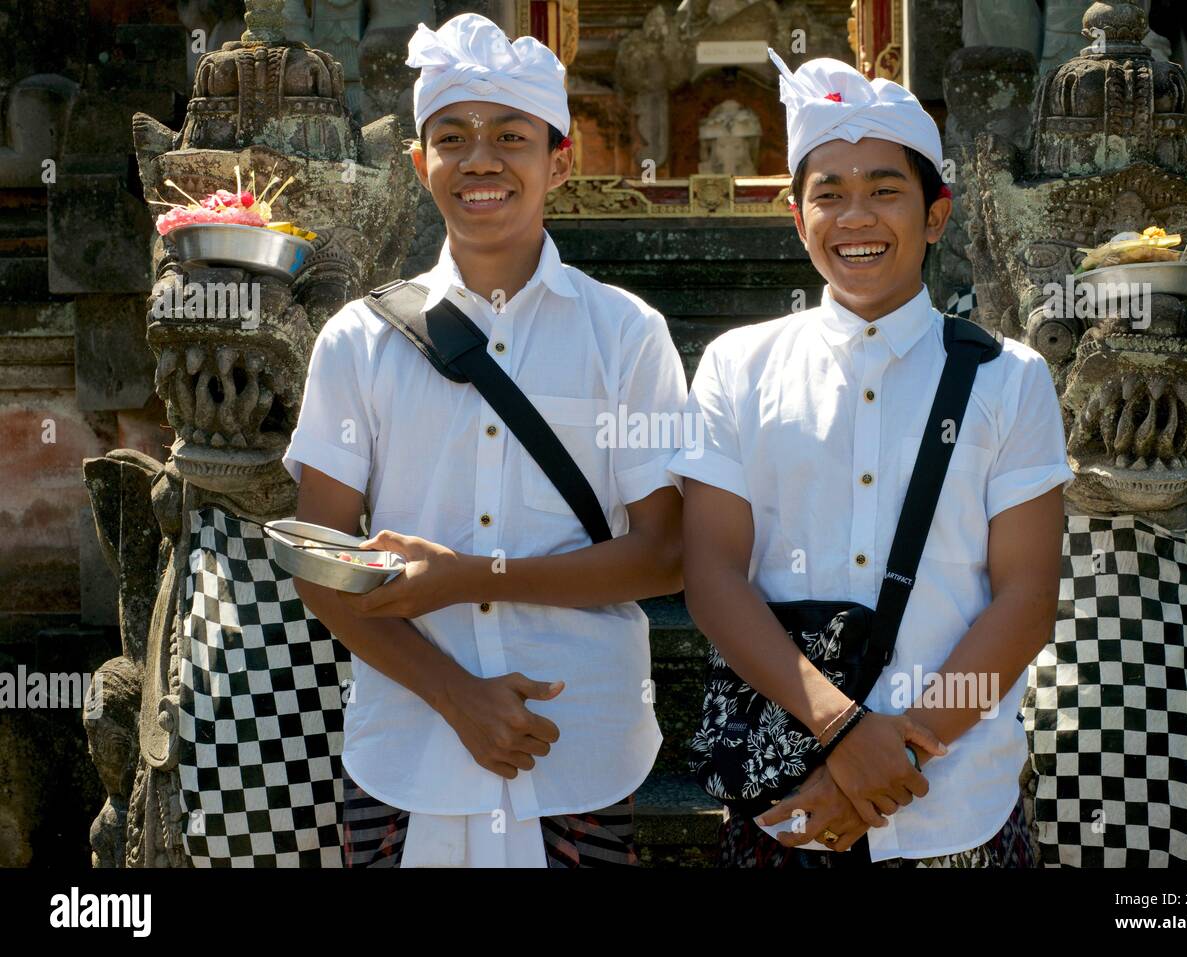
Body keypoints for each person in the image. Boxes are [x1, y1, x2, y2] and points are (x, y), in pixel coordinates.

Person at [281, 13, 688, 868]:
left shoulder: (626, 334)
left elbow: (665, 556)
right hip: (407, 743)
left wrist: (471, 577)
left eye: (512, 135)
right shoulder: (360, 341)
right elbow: (319, 559)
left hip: (576, 739)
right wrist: (457, 696)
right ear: (417, 160)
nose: (481, 159)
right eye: (452, 136)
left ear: (560, 160)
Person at [666, 50, 1074, 867]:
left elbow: (1025, 598)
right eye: (830, 194)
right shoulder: (738, 369)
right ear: (796, 217)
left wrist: (895, 761)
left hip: (959, 806)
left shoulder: (1010, 378)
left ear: (937, 214)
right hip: (781, 798)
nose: (857, 217)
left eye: (886, 190)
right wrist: (842, 728)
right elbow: (712, 574)